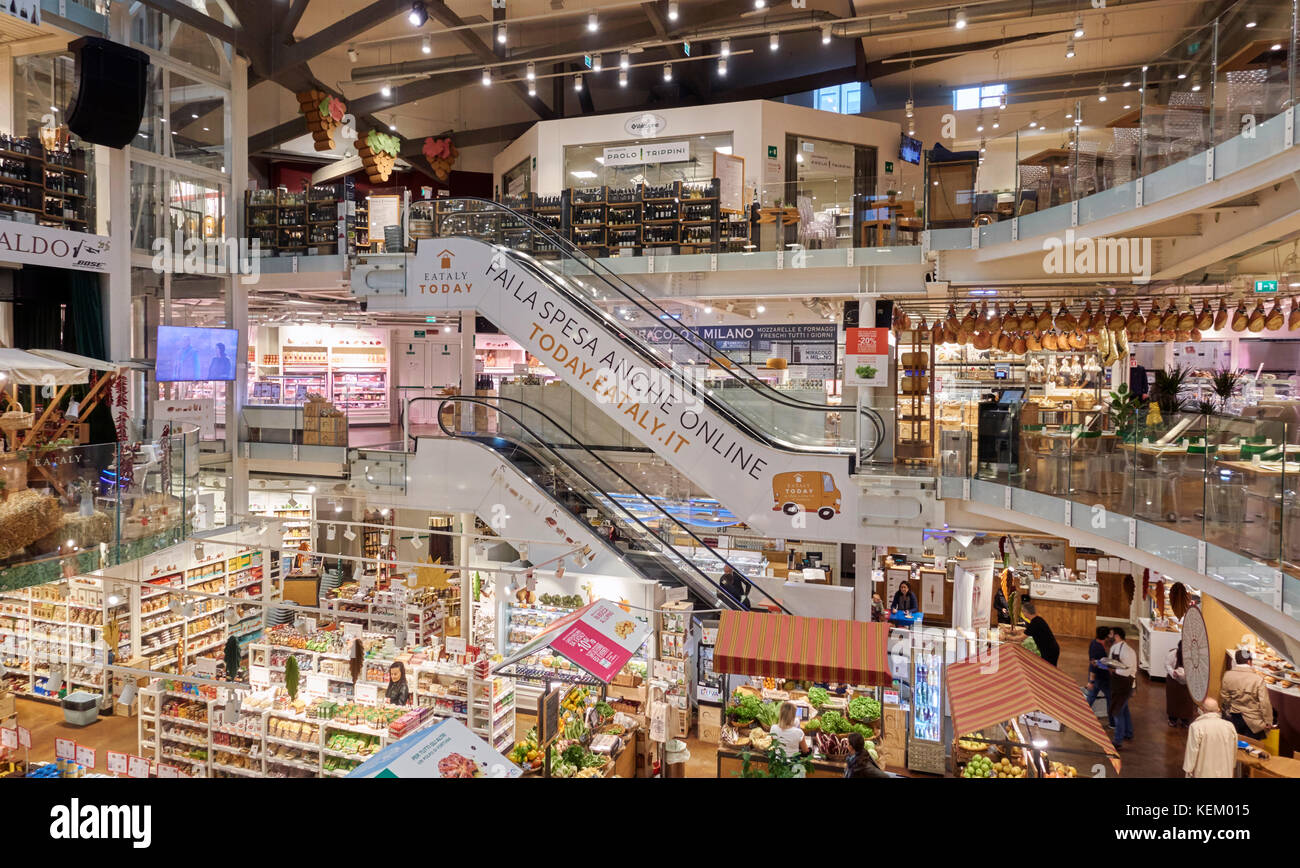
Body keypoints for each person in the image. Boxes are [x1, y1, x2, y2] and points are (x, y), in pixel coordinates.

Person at [1220, 649, 1273, 739]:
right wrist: (1268, 721)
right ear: (1249, 662)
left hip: (1234, 717)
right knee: (1252, 748)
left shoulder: (1227, 675)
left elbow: (1225, 697)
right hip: (1254, 722)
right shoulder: (1257, 679)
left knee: (1236, 744)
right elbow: (1264, 703)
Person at [1183, 698, 1238, 778]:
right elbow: (1234, 750)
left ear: (1202, 709)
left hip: (1204, 773)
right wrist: (1232, 765)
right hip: (1225, 772)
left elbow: (1191, 753)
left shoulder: (1196, 727)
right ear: (1218, 709)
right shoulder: (1229, 726)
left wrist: (1188, 771)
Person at [1104, 626, 1138, 749]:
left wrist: (1113, 670)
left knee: (1117, 712)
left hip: (1125, 685)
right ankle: (1128, 733)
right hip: (1117, 684)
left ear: (1117, 636)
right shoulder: (1114, 648)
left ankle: (1118, 741)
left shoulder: (1128, 652)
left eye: (1111, 634)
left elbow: (1128, 671)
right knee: (1124, 709)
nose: (1109, 636)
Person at [1083, 626, 1112, 726]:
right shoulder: (1098, 649)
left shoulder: (1094, 643)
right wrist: (1091, 681)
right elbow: (1094, 664)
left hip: (1097, 676)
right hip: (1100, 677)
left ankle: (1083, 715)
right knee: (1110, 697)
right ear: (1106, 636)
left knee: (1091, 696)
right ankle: (1112, 722)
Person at [1020, 600, 1060, 666]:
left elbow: (1020, 638)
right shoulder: (1038, 619)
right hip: (1052, 649)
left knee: (1049, 670)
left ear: (1026, 612)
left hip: (1049, 651)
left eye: (1022, 611)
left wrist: (1008, 637)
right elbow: (1026, 630)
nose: (1022, 614)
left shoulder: (1034, 623)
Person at [1165, 641, 1195, 727]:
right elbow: (1167, 664)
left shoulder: (1193, 655)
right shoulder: (1173, 654)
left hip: (1187, 681)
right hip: (1173, 681)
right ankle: (1172, 719)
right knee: (1173, 700)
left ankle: (1185, 719)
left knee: (1186, 701)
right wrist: (1173, 672)